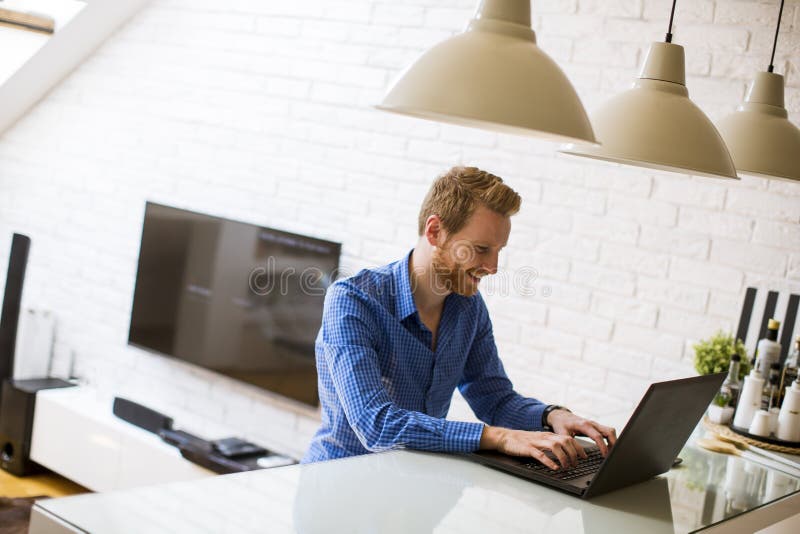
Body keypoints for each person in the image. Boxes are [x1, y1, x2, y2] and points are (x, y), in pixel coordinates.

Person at [302, 166, 617, 470]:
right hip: (338, 486)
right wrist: (499, 438)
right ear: (435, 231)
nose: (493, 266)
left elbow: (494, 399)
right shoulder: (354, 301)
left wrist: (552, 416)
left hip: (415, 491)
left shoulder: (469, 308)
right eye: (481, 249)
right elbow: (376, 425)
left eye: (498, 250)